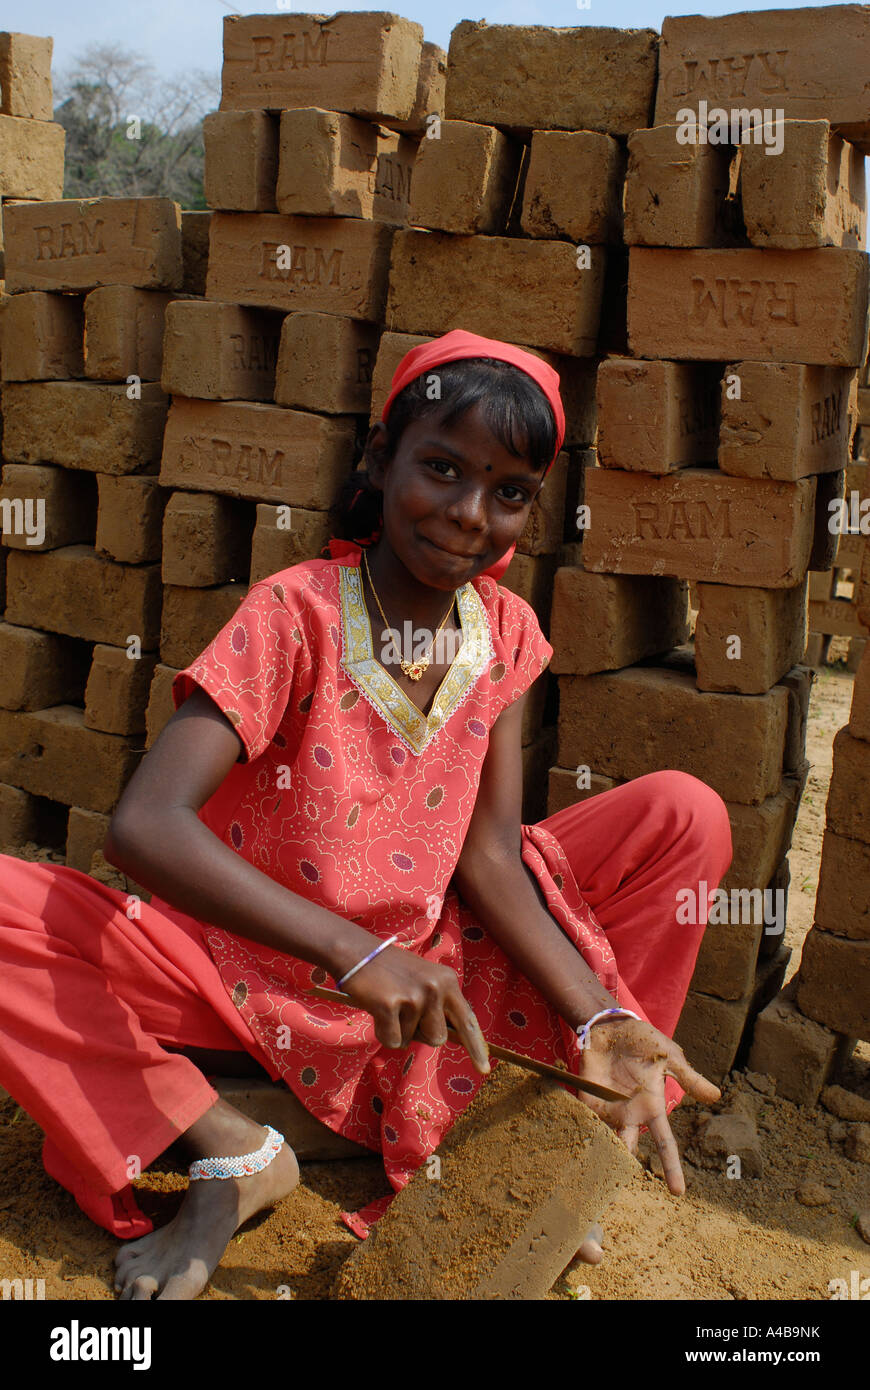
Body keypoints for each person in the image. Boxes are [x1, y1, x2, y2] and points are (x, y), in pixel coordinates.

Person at [0, 330, 732, 1301]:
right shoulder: (296, 612)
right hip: (236, 971)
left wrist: (601, 1010)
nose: (469, 515)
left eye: (508, 490)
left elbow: (491, 858)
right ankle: (228, 1143)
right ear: (382, 459)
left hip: (427, 990)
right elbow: (145, 824)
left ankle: (547, 1145)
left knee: (685, 816)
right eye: (441, 468)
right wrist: (352, 951)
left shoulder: (504, 633)